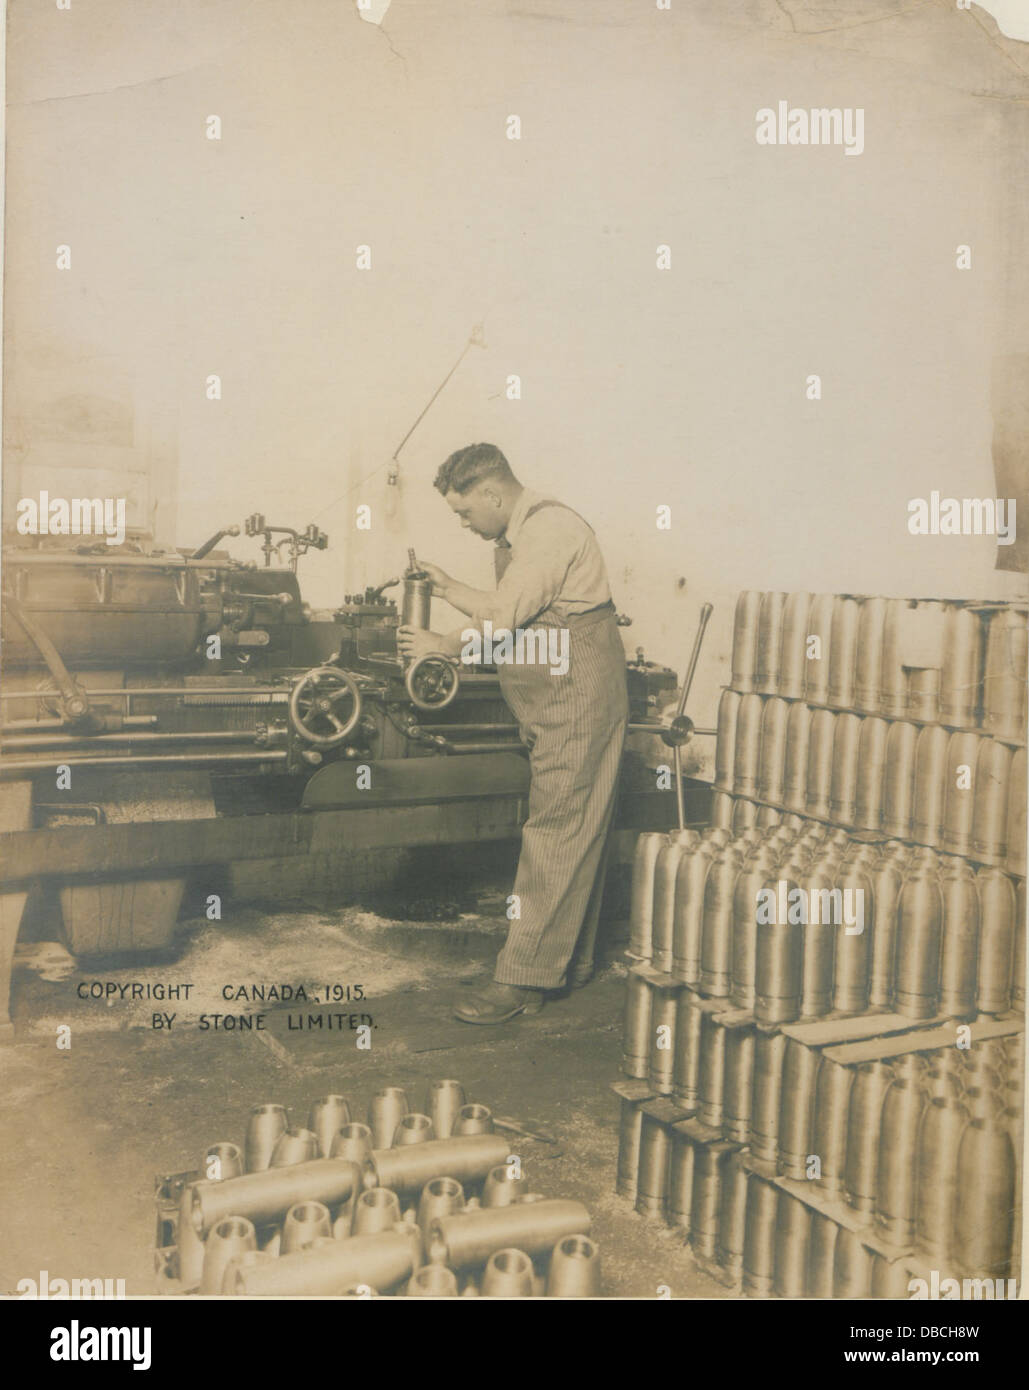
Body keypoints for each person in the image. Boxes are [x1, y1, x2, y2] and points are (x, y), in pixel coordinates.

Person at [397, 442, 629, 1024]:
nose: (464, 522)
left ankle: (521, 981)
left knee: (554, 835)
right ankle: (566, 968)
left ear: (494, 493)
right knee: (575, 833)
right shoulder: (519, 538)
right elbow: (517, 624)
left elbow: (503, 619)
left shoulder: (549, 531)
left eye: (465, 511)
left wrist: (444, 644)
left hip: (574, 700)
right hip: (552, 703)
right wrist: (448, 593)